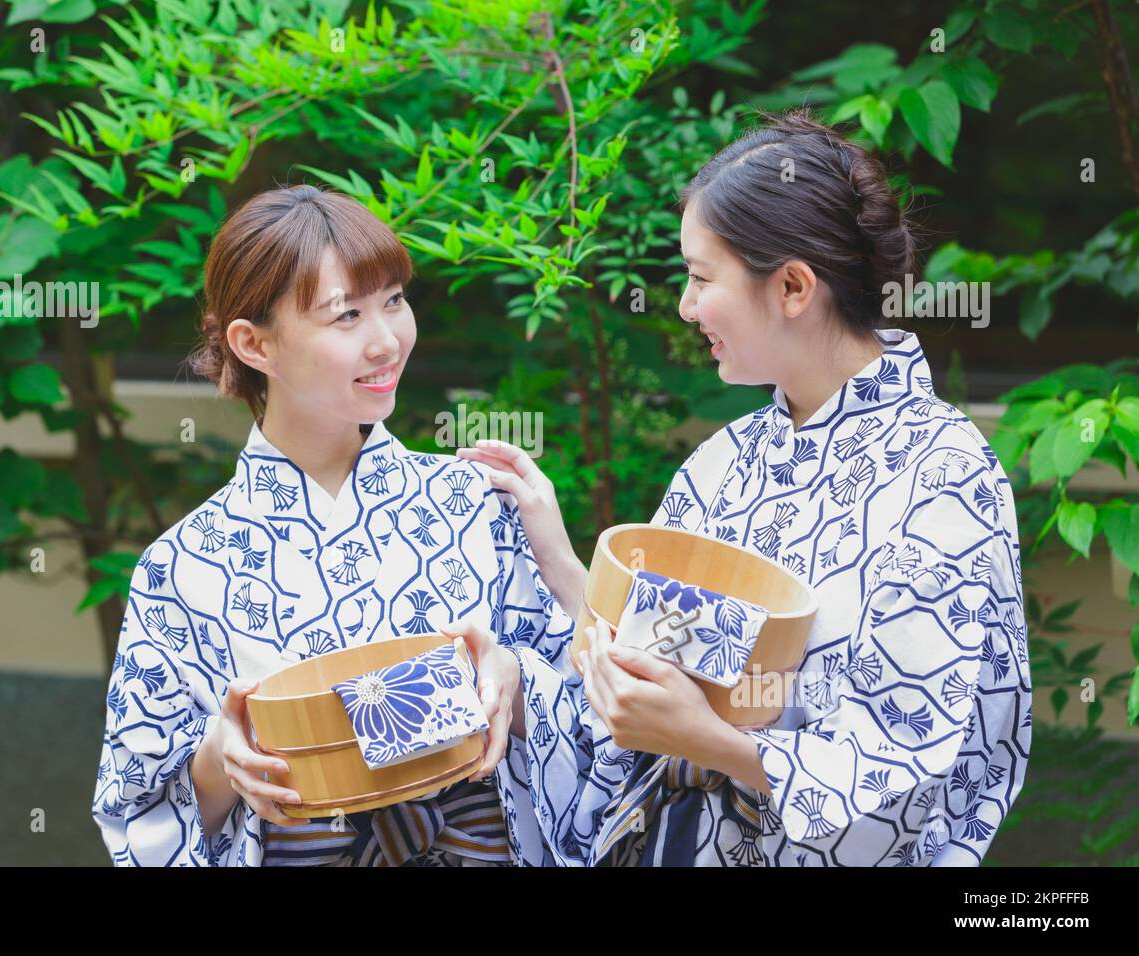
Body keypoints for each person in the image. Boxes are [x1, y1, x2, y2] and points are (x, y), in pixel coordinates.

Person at [458, 111, 1032, 866]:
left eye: (701, 277)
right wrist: (544, 599)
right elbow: (665, 662)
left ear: (793, 285)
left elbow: (903, 780)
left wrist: (708, 742)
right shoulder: (723, 462)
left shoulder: (944, 473)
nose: (688, 306)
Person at [91, 186, 585, 867]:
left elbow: (612, 726)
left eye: (394, 301)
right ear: (254, 343)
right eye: (346, 315)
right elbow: (136, 813)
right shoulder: (180, 567)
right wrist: (216, 761)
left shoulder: (477, 503)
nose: (387, 340)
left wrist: (518, 680)